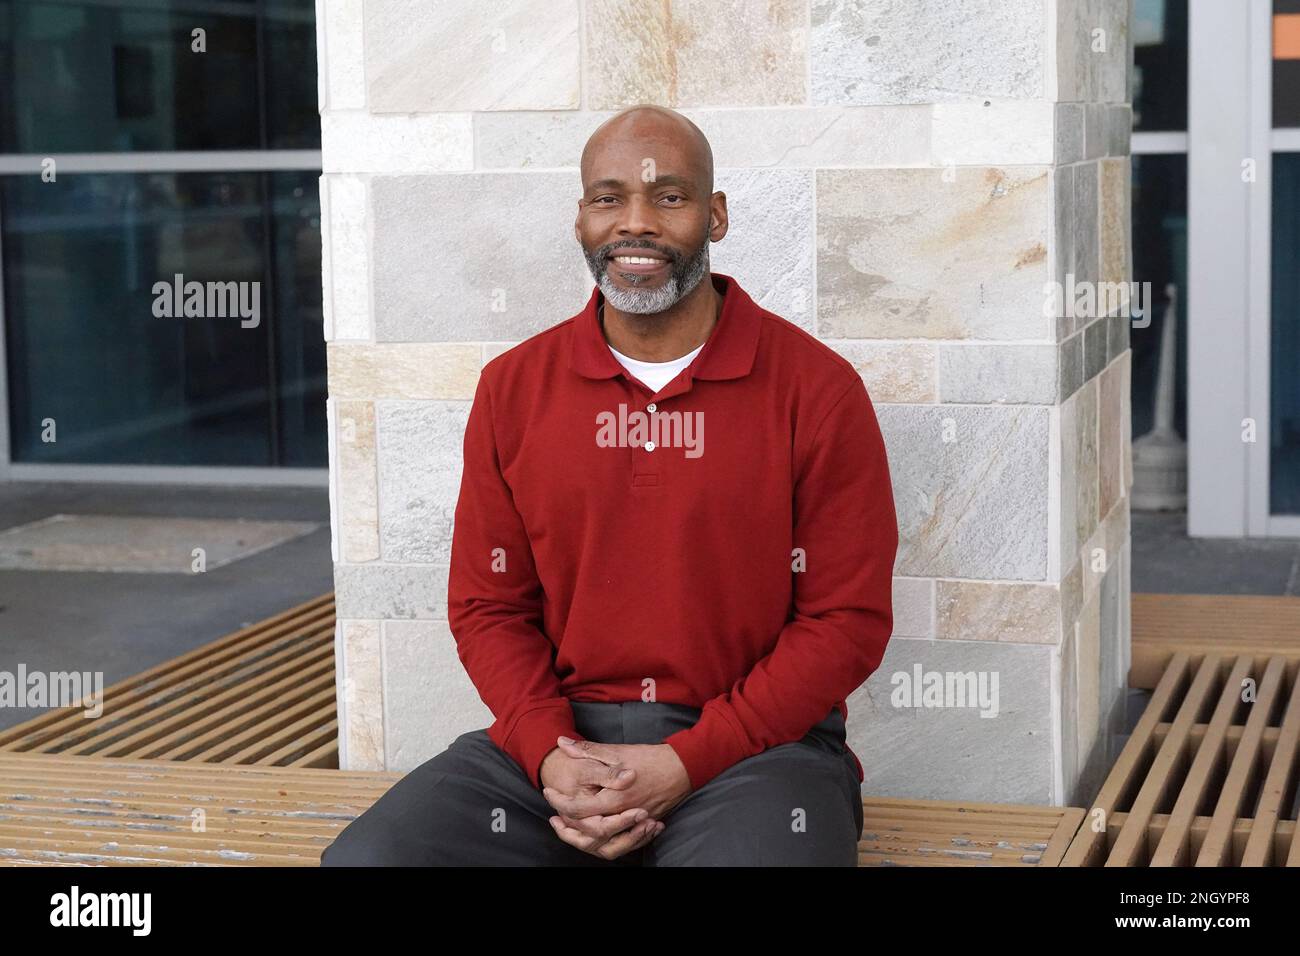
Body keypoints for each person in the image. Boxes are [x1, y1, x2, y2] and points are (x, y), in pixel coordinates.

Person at [320, 104, 898, 867]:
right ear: (581, 220)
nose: (636, 223)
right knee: (369, 864)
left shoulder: (817, 389)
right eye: (608, 197)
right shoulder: (514, 388)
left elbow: (845, 620)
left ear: (716, 216)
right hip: (558, 749)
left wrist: (687, 762)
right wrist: (551, 756)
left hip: (756, 755)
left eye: (669, 197)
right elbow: (488, 606)